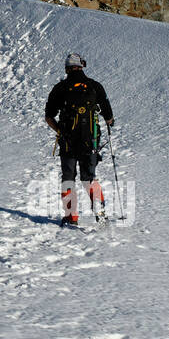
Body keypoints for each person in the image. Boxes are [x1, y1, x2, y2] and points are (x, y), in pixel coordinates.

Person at [44, 53, 114, 227]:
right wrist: (109, 121)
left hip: (68, 142)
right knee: (89, 177)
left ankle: (71, 217)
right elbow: (108, 115)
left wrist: (60, 131)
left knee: (68, 178)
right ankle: (99, 209)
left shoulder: (60, 88)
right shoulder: (95, 86)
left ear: (67, 68)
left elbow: (48, 116)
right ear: (82, 66)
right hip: (90, 141)